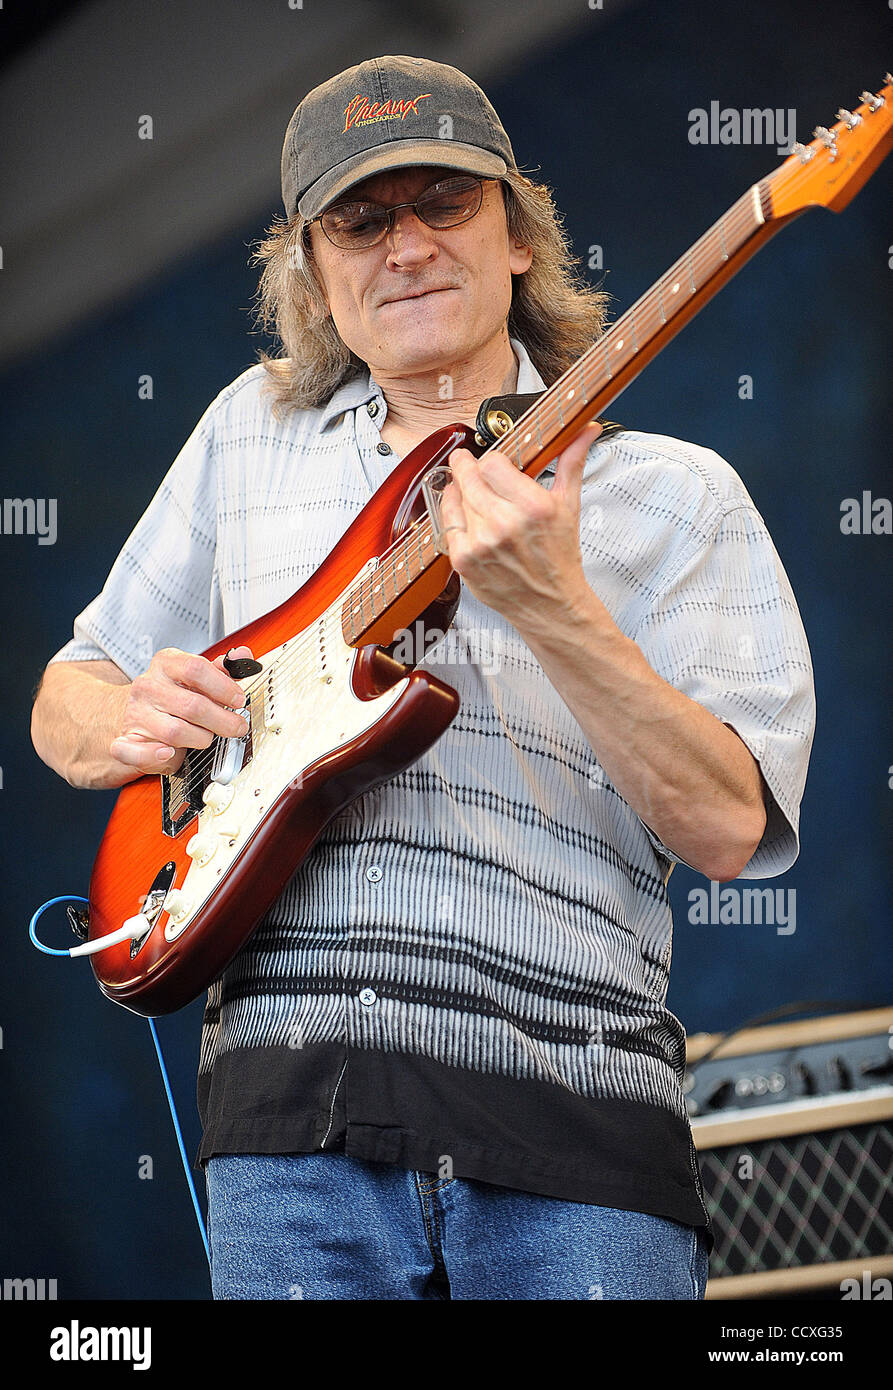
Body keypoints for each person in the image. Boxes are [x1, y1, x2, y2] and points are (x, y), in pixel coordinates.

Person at [31, 54, 815, 1301]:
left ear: (517, 233)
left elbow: (728, 827)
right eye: (359, 218)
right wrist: (134, 719)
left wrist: (556, 610)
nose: (405, 245)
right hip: (290, 1129)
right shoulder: (248, 432)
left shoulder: (676, 495)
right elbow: (66, 694)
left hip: (577, 1136)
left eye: (444, 200)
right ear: (312, 275)